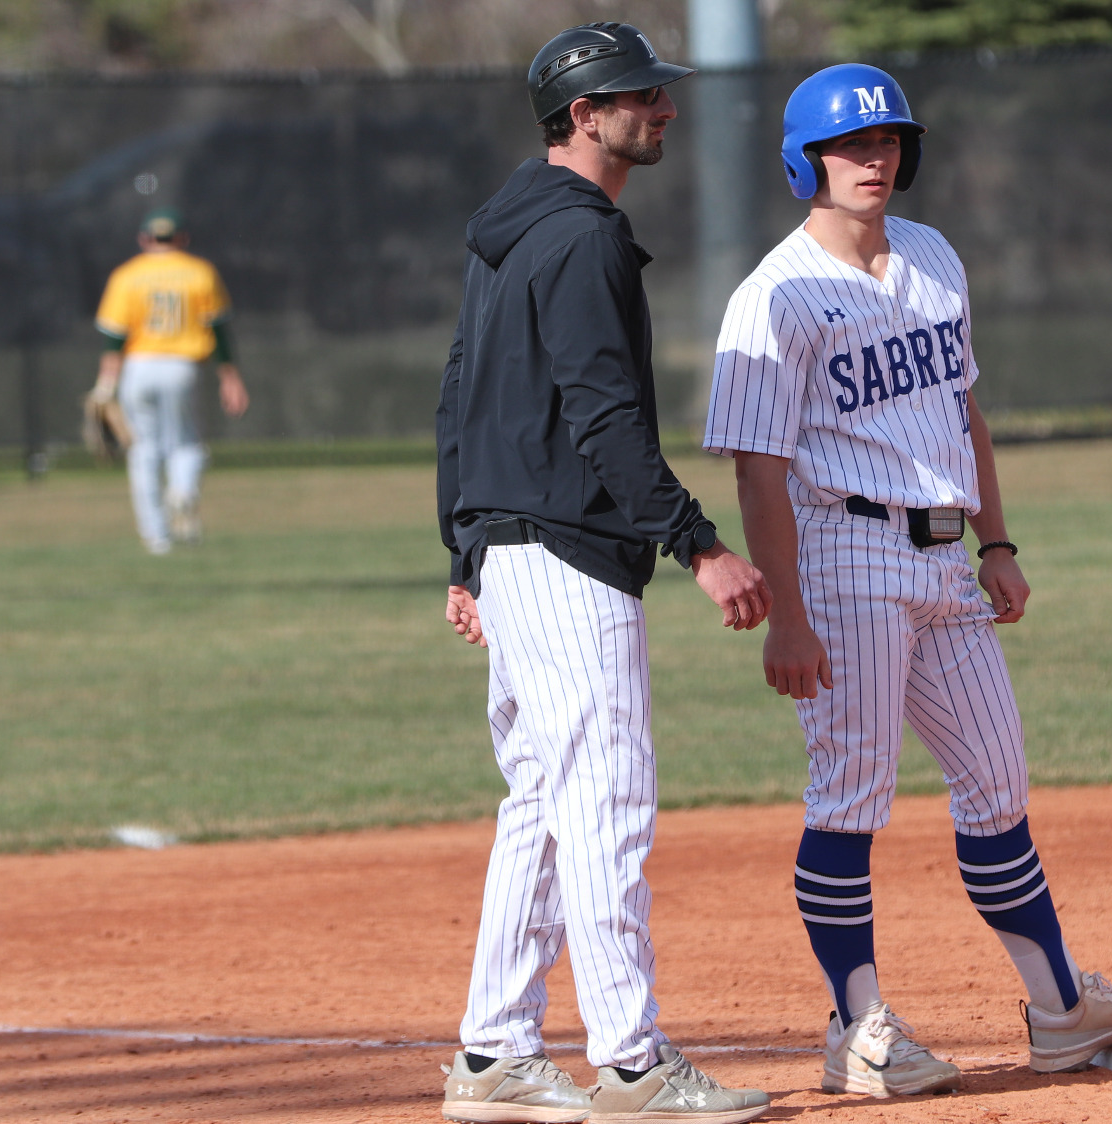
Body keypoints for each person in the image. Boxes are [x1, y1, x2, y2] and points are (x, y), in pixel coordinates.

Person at [703, 64, 1112, 1097]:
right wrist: (785, 614)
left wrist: (996, 540)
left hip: (945, 554)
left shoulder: (933, 256)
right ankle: (856, 1026)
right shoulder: (772, 296)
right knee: (849, 793)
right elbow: (755, 467)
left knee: (997, 782)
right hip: (842, 549)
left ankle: (1060, 1006)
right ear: (805, 160)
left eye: (887, 141)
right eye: (850, 146)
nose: (872, 159)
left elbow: (963, 411)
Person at [434, 22, 773, 1124]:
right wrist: (698, 542)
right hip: (565, 553)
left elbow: (456, 399)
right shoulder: (577, 235)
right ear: (583, 114)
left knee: (539, 800)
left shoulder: (509, 229)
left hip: (513, 546)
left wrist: (465, 551)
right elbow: (602, 411)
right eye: (640, 95)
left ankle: (493, 1051)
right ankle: (630, 1062)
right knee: (606, 800)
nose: (661, 108)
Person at [90, 208, 248, 555]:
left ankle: (156, 537)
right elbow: (218, 330)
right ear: (183, 239)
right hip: (182, 367)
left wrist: (105, 385)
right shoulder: (200, 272)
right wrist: (230, 378)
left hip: (139, 367)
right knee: (185, 443)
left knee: (144, 450)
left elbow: (114, 339)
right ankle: (183, 490)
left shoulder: (126, 276)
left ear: (144, 239)